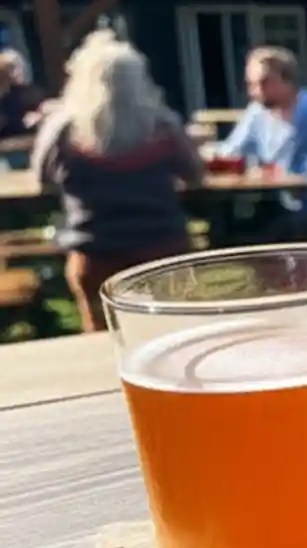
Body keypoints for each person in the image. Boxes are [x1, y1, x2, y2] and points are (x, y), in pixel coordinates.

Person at [30, 33, 203, 331]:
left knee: (101, 335)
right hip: (162, 249)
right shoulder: (162, 124)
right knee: (173, 330)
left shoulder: (63, 129)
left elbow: (42, 178)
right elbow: (195, 173)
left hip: (95, 252)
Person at [220, 46, 307, 241]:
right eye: (251, 84)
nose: (255, 91)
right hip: (272, 201)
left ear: (288, 81)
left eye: (264, 83)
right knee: (222, 225)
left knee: (259, 237)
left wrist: (265, 175)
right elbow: (231, 151)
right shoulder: (257, 112)